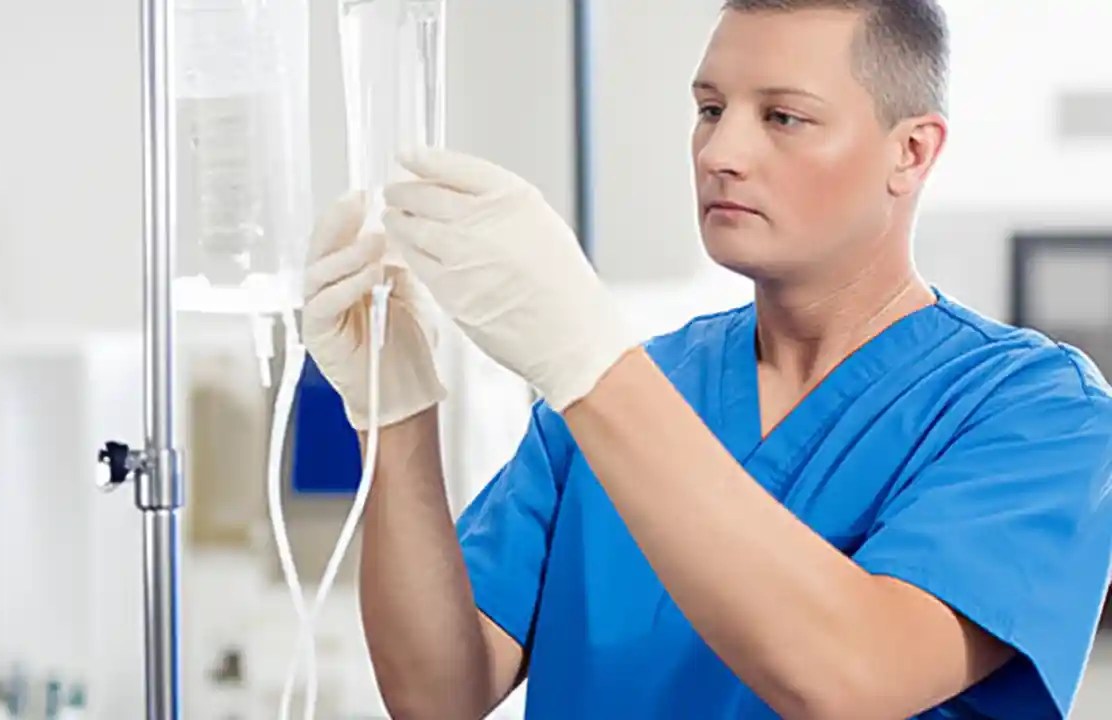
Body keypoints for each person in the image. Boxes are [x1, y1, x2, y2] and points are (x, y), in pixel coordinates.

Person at [300, 0, 1112, 717]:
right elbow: (436, 694)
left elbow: (849, 676)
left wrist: (589, 363)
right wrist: (394, 414)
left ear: (912, 153)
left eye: (783, 117)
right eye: (710, 109)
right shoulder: (621, 395)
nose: (721, 151)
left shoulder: (1039, 413)